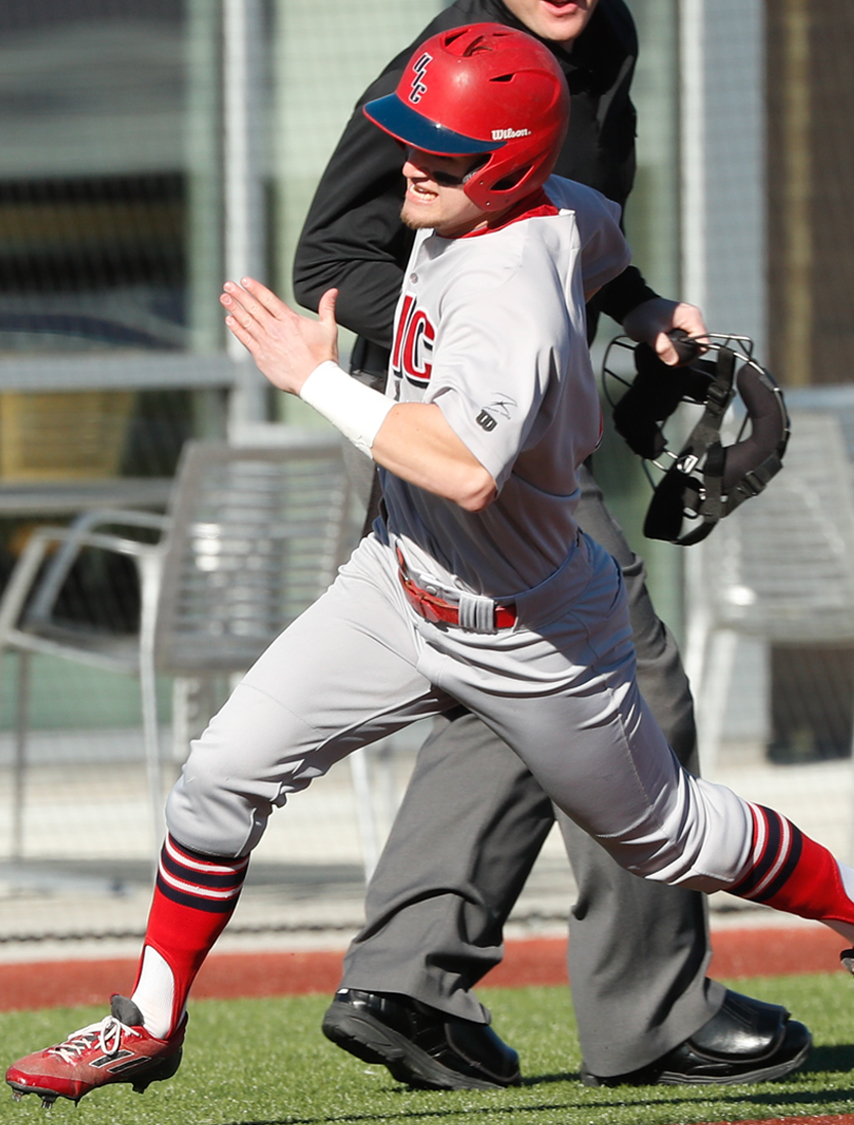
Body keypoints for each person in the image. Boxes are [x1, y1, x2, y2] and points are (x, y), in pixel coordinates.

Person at [2, 24, 854, 1107]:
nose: (412, 162)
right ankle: (150, 1018)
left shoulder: (505, 298)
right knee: (219, 774)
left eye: (442, 151)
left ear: (503, 161)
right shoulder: (539, 203)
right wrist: (644, 308)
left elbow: (461, 473)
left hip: (528, 625)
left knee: (665, 837)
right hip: (393, 584)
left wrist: (312, 381)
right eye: (410, 138)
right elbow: (596, 233)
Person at [293, 0, 805, 1090]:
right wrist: (485, 345)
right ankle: (650, 1015)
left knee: (514, 699)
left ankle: (406, 980)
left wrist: (633, 302)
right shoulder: (444, 63)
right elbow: (329, 258)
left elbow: (560, 226)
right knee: (631, 689)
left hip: (516, 431)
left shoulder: (603, 42)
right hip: (462, 439)